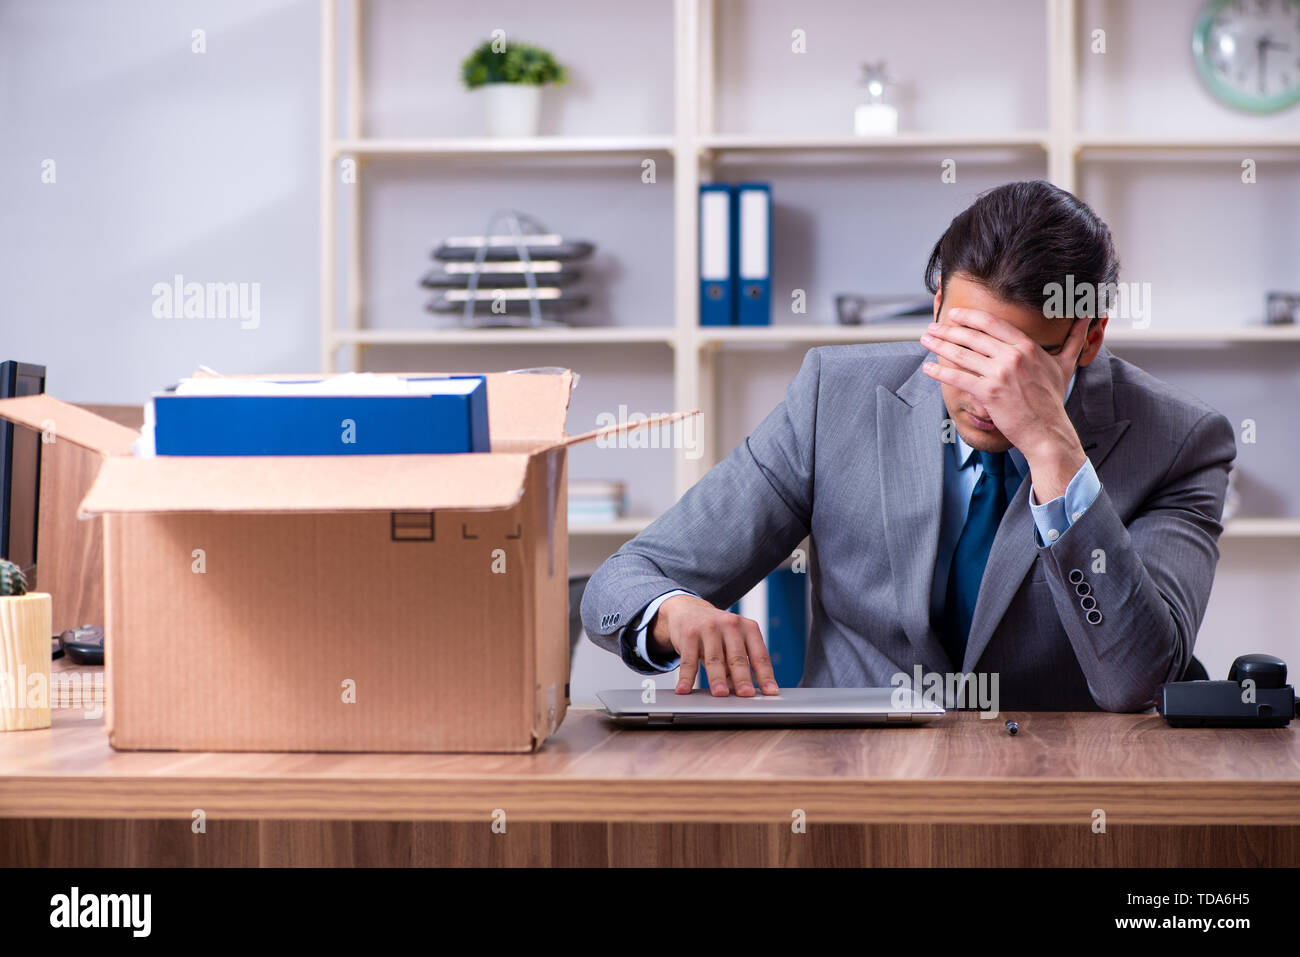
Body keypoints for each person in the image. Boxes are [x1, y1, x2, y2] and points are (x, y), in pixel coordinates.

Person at [581, 180, 1236, 712]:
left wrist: (1052, 450)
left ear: (1089, 339)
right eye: (964, 346)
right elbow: (615, 586)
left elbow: (1138, 681)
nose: (984, 393)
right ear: (935, 311)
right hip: (856, 791)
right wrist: (674, 610)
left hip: (1059, 792)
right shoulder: (833, 398)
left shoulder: (1180, 442)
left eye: (1019, 363)